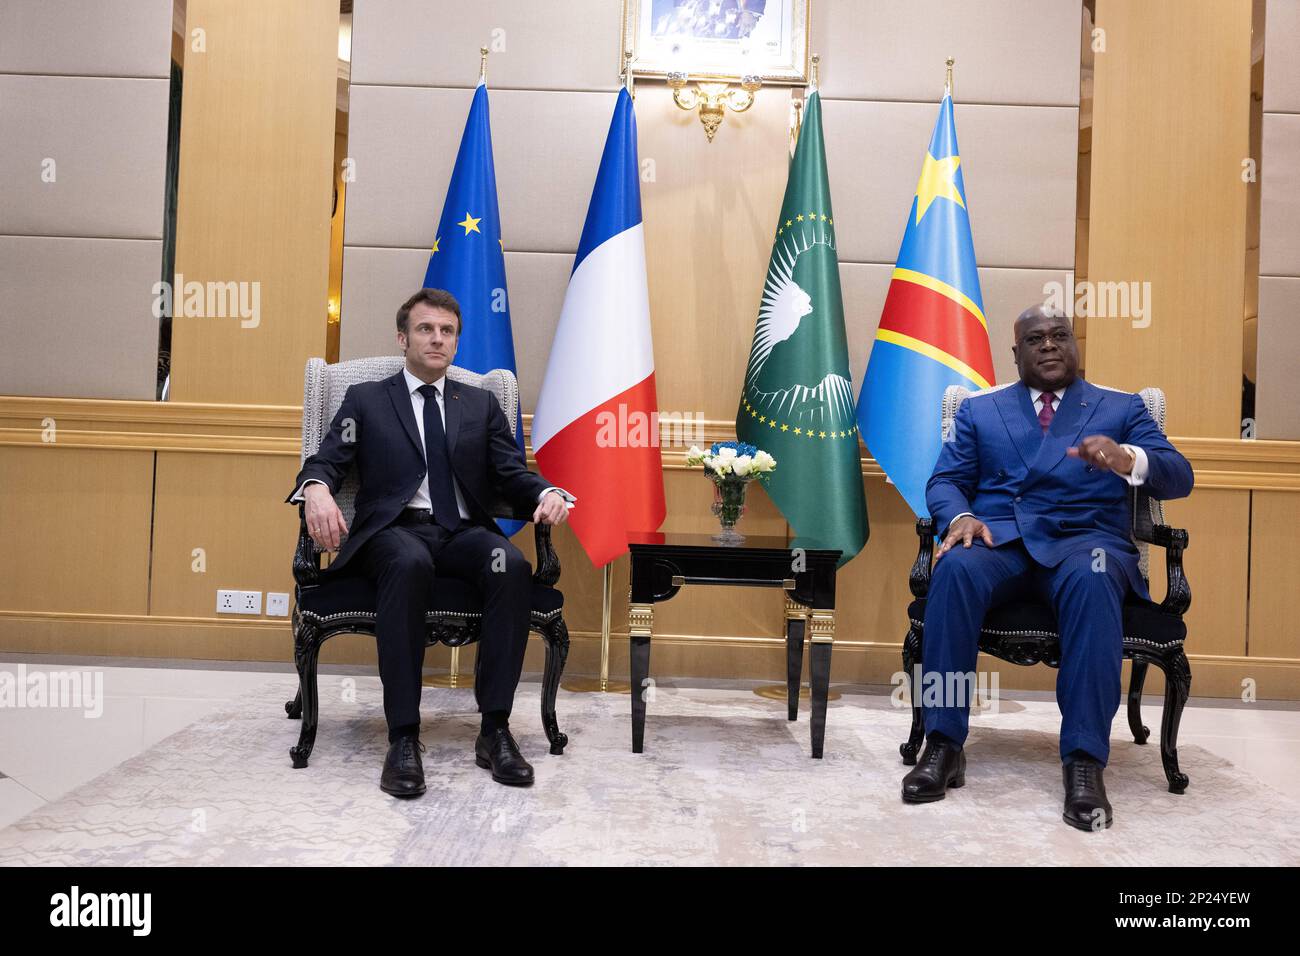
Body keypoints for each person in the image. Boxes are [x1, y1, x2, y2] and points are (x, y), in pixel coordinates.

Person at [901, 304, 1194, 830]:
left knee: (1095, 575)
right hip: (1001, 540)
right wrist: (962, 516)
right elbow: (945, 481)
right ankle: (943, 745)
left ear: (1075, 344)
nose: (1050, 345)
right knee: (954, 569)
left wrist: (1129, 459)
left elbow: (1178, 476)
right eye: (1036, 339)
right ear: (1016, 354)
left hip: (1086, 543)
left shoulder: (1120, 406)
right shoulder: (980, 409)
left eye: (1061, 335)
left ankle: (1084, 761)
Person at [287, 288, 573, 798]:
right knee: (408, 561)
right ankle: (402, 737)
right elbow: (326, 460)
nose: (437, 339)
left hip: (462, 533)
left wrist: (548, 490)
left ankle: (495, 730)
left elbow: (511, 474)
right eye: (425, 329)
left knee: (508, 563)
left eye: (447, 331)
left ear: (456, 342)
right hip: (394, 532)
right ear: (403, 338)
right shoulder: (367, 400)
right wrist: (315, 489)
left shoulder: (481, 404)